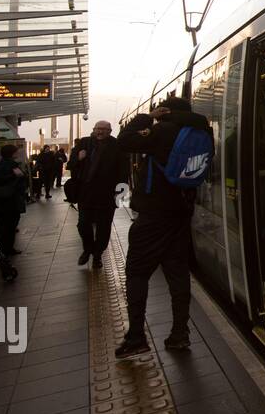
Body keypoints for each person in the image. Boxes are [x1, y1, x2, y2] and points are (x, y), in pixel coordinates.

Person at [114, 94, 213, 356]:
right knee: (178, 275)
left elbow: (124, 140)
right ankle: (180, 334)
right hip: (180, 214)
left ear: (166, 111)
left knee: (137, 272)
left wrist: (148, 117)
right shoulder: (203, 132)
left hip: (153, 215)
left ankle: (136, 337)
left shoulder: (162, 131)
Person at [70, 120, 129, 271]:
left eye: (104, 129)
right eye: (98, 129)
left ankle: (98, 254)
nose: (100, 132)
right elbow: (70, 165)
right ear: (94, 130)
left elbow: (124, 172)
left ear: (110, 131)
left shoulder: (117, 146)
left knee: (104, 227)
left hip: (107, 195)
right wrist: (79, 158)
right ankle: (88, 248)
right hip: (85, 193)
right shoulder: (84, 143)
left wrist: (121, 197)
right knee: (83, 224)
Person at [0, 144, 28, 281]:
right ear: (12, 153)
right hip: (10, 199)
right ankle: (6, 248)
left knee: (8, 224)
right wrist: (15, 175)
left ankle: (7, 247)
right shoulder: (10, 165)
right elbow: (16, 179)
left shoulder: (2, 164)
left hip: (5, 200)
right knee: (10, 224)